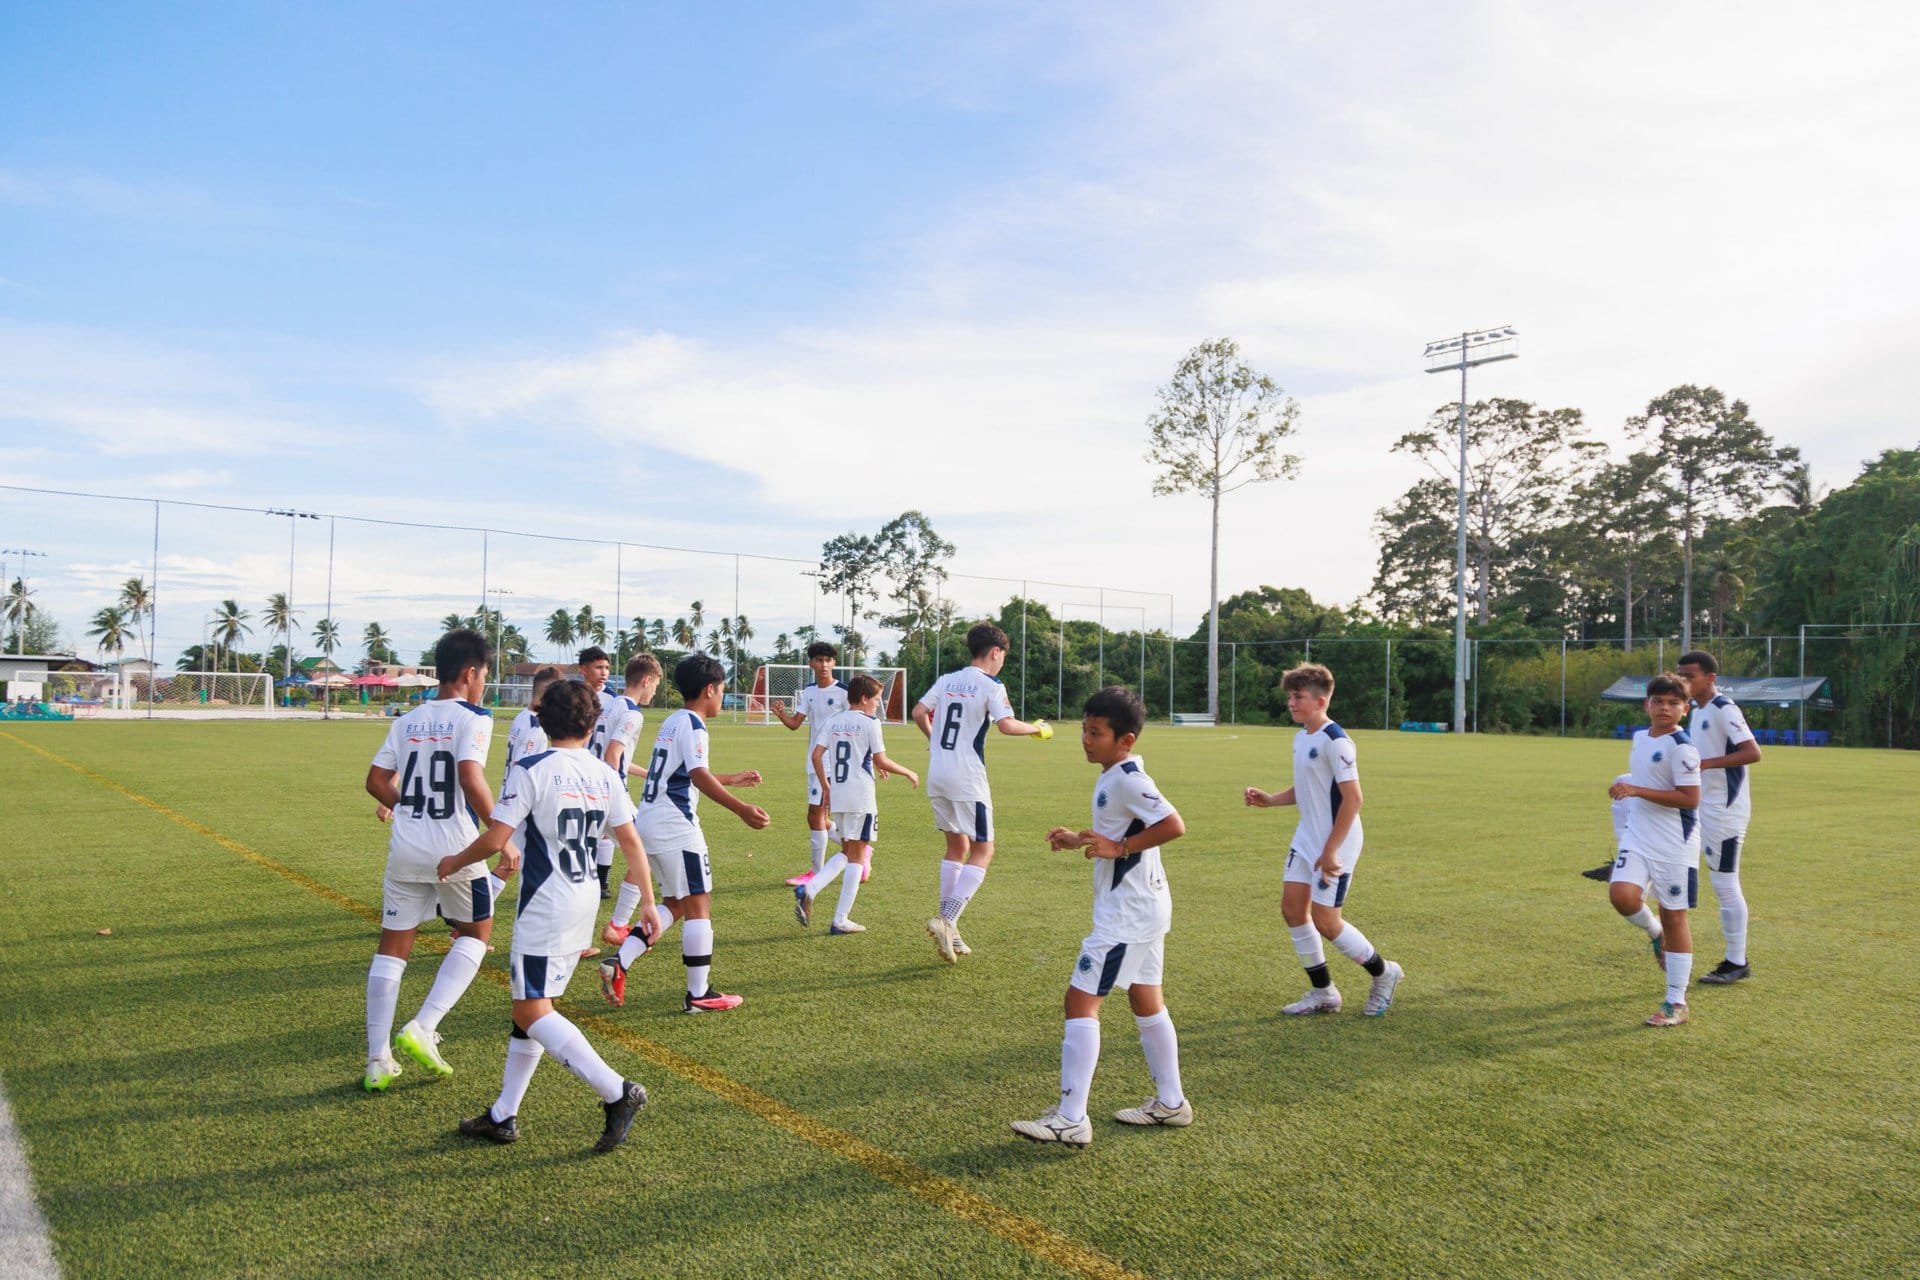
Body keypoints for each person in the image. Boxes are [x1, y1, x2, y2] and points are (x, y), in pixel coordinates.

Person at [440, 678, 655, 1152]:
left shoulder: (532, 768)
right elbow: (631, 841)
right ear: (594, 722)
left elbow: (497, 839)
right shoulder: (604, 773)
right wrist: (649, 901)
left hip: (546, 903)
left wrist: (453, 863)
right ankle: (503, 1114)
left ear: (539, 718)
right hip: (583, 897)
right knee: (533, 1009)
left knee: (531, 1009)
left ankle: (616, 1091)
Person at [1012, 687, 1189, 1147]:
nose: (1086, 740)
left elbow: (1173, 824)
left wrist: (1122, 847)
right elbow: (1118, 831)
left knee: (1080, 1001)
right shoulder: (1115, 773)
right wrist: (1080, 839)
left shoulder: (1129, 778)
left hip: (1127, 914)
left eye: (1096, 733)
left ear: (1125, 740)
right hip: (1144, 905)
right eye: (1085, 730)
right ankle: (1171, 1102)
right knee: (1146, 999)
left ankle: (1071, 1118)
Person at [360, 629, 511, 1092]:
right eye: (484, 674)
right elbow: (469, 775)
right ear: (470, 673)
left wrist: (409, 805)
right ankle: (423, 1026)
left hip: (406, 846)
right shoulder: (475, 717)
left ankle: (376, 1058)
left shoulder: (409, 719)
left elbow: (375, 780)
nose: (483, 683)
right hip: (455, 846)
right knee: (476, 935)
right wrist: (499, 830)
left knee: (392, 947)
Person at [599, 653, 768, 1012]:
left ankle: (619, 962)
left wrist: (732, 778)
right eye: (722, 690)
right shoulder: (693, 725)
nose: (722, 697)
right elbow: (698, 776)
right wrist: (741, 809)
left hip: (650, 820)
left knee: (675, 903)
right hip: (675, 825)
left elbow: (681, 772)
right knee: (699, 905)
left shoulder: (673, 720)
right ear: (710, 690)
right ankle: (699, 994)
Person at [1243, 663, 1404, 1018]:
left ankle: (1384, 972)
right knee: (1292, 910)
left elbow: (1354, 799)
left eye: (1298, 697)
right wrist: (1271, 799)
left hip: (1338, 841)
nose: (1291, 703)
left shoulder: (1338, 742)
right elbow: (1306, 789)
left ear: (1320, 700)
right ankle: (1324, 992)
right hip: (1307, 837)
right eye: (1289, 696)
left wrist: (1331, 850)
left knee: (1326, 922)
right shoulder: (1302, 737)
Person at [913, 622, 1051, 962]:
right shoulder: (991, 684)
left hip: (938, 771)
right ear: (995, 652)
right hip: (967, 777)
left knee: (955, 846)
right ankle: (947, 920)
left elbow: (918, 711)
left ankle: (952, 931)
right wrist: (1038, 729)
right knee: (983, 850)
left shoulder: (947, 680)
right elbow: (1006, 724)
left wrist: (935, 740)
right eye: (1003, 655)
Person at [1606, 673, 1703, 1027]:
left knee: (1674, 914)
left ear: (1685, 710)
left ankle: (1676, 1000)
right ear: (1647, 705)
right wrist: (1626, 786)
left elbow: (1690, 799)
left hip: (1674, 842)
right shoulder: (1640, 738)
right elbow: (1644, 780)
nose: (1665, 708)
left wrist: (1637, 792)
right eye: (1658, 702)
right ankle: (1654, 933)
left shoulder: (1684, 748)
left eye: (1673, 703)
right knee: (1622, 897)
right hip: (1638, 835)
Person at [794, 675, 918, 935]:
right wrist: (908, 771)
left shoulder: (833, 721)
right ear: (863, 699)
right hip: (861, 796)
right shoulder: (870, 723)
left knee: (849, 851)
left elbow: (817, 755)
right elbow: (881, 760)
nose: (878, 704)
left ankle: (812, 889)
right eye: (876, 699)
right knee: (858, 857)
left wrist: (826, 787)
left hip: (838, 793)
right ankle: (840, 918)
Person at [1676, 650, 1761, 984]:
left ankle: (1736, 962)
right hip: (1700, 804)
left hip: (1724, 809)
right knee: (1675, 856)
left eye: (1690, 675)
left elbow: (1752, 752)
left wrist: (1706, 764)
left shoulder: (1724, 709)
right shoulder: (1697, 711)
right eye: (1680, 674)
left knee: (1725, 883)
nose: (1684, 681)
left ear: (1710, 678)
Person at [772, 641, 848, 887]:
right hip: (814, 761)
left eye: (828, 660)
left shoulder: (845, 692)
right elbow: (795, 723)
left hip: (834, 762)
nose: (824, 664)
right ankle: (859, 851)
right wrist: (781, 714)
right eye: (819, 660)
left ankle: (816, 873)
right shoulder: (809, 692)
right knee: (819, 817)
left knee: (816, 815)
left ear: (834, 663)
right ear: (811, 663)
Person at [577, 646, 620, 898]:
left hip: (603, 772)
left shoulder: (614, 700)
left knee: (605, 829)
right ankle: (582, 876)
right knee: (581, 828)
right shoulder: (572, 695)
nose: (603, 672)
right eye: (598, 667)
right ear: (583, 669)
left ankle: (601, 882)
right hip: (576, 769)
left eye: (606, 667)